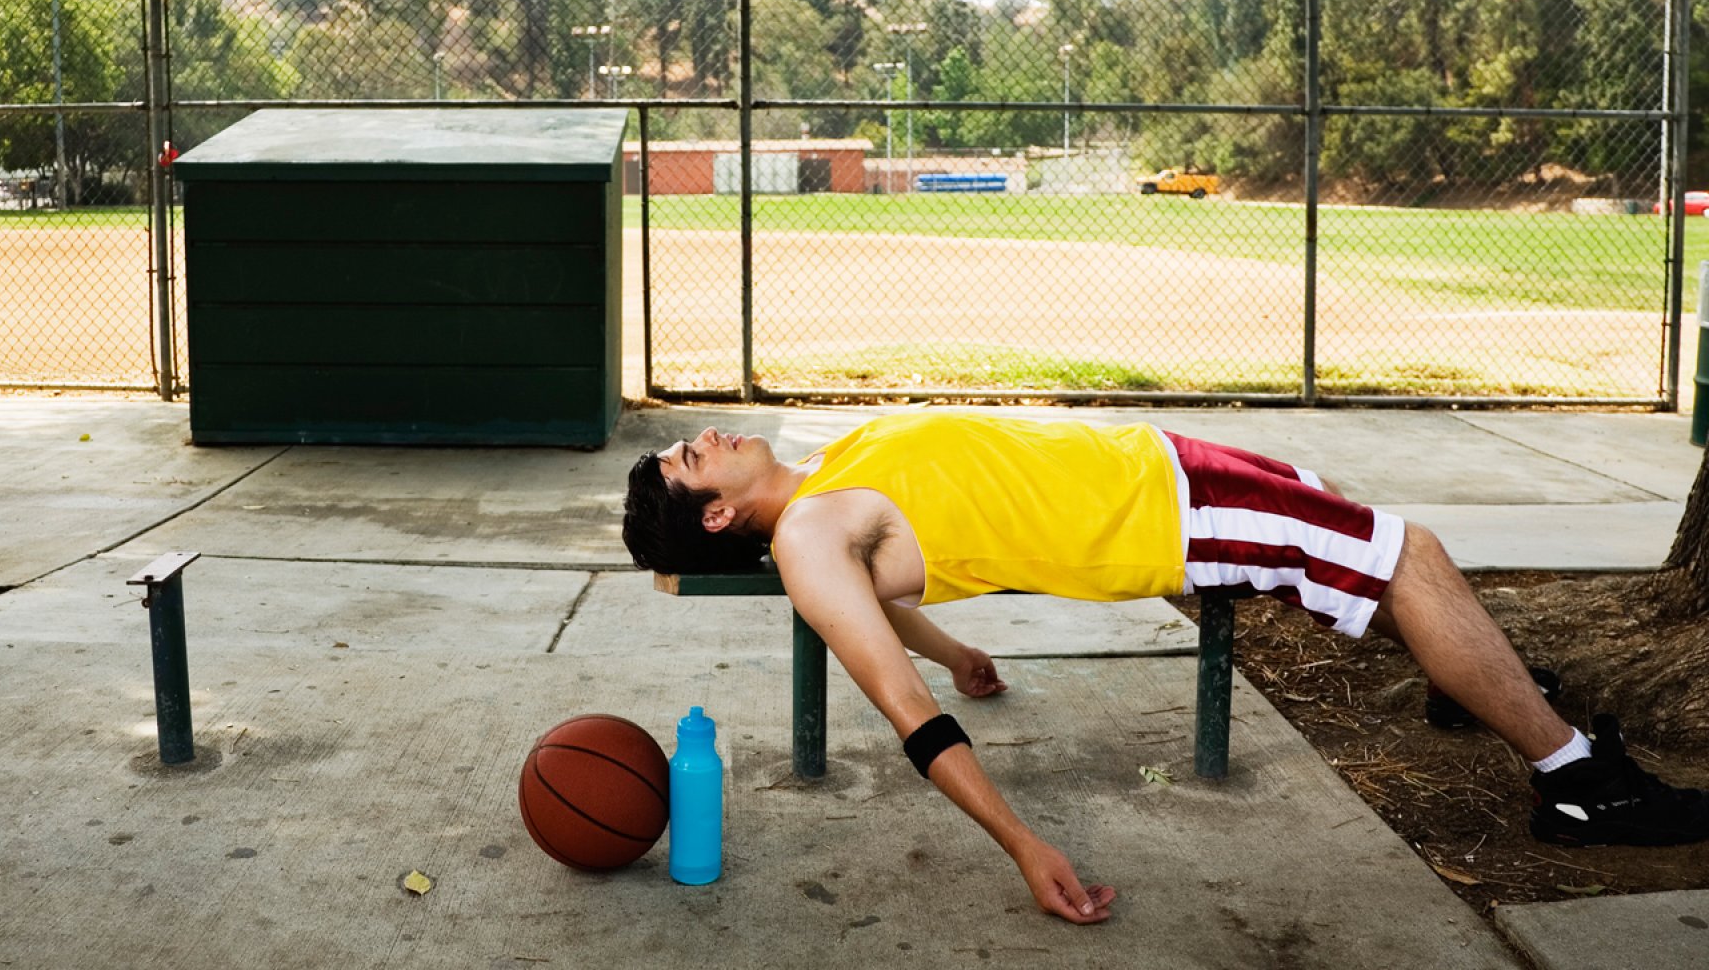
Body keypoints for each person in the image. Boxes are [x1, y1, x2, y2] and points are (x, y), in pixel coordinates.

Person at [621, 410, 1709, 924]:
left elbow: (889, 615)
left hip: (1162, 468)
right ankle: (1575, 781)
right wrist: (1024, 844)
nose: (703, 435)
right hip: (1166, 515)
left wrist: (956, 651)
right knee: (1404, 552)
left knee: (1368, 556)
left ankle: (1465, 675)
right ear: (716, 512)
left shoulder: (824, 487)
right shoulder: (806, 538)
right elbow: (897, 706)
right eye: (689, 458)